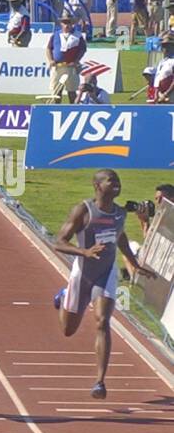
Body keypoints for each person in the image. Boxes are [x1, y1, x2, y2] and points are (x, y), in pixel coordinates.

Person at [51, 170, 154, 399]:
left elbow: (120, 236)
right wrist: (84, 251)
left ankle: (99, 381)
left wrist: (134, 263)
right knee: (68, 330)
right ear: (97, 185)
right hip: (83, 273)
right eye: (111, 181)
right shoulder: (83, 211)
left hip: (106, 273)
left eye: (118, 180)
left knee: (102, 321)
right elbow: (58, 242)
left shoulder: (119, 213)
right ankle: (64, 295)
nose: (116, 184)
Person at [47, 12, 86, 103]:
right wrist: (50, 60)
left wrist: (76, 61)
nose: (66, 25)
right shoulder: (55, 35)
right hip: (57, 66)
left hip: (70, 67)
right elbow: (49, 48)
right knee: (56, 91)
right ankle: (57, 109)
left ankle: (72, 109)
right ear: (61, 23)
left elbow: (82, 49)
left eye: (68, 23)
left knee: (72, 91)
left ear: (72, 24)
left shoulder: (78, 35)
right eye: (64, 22)